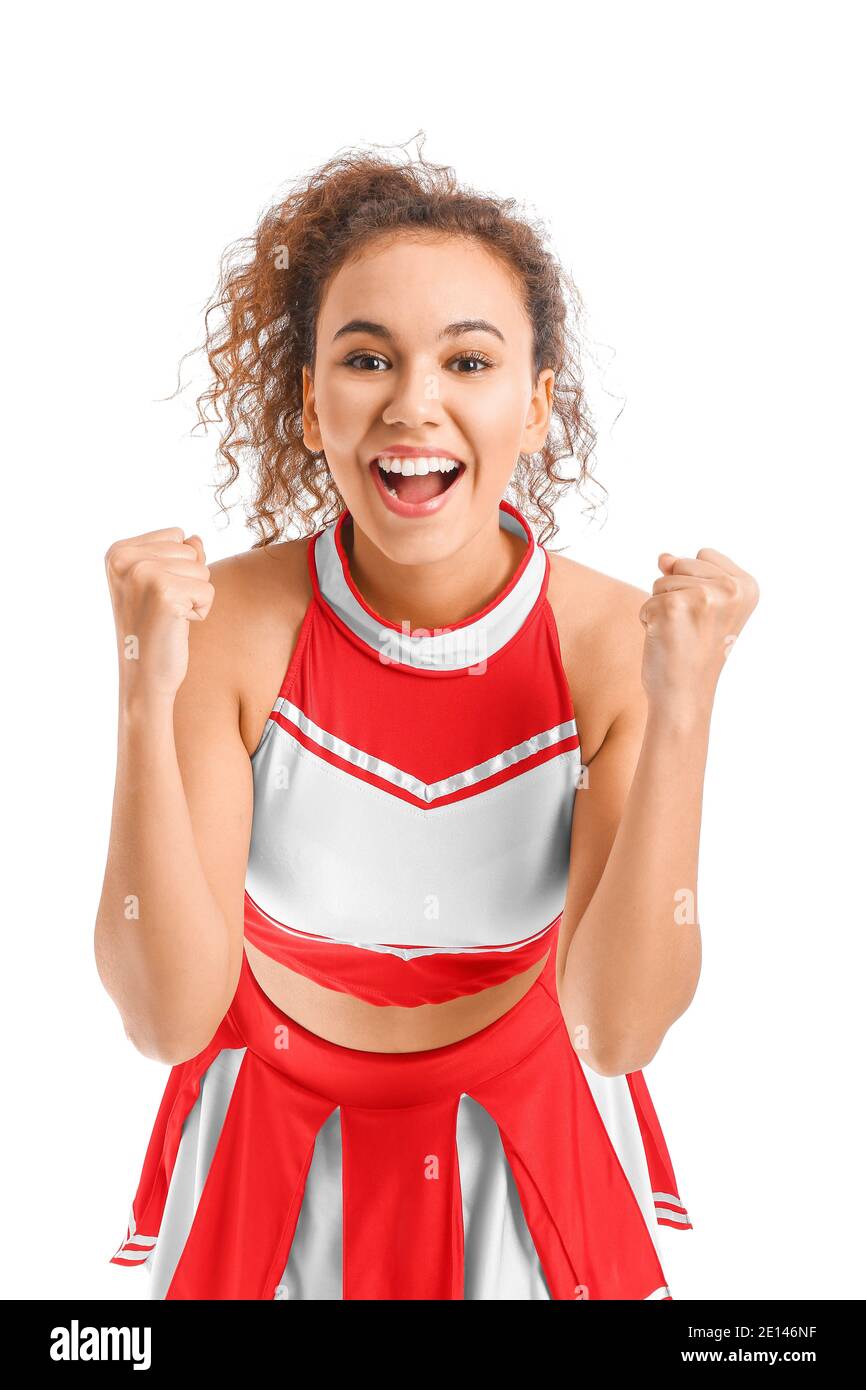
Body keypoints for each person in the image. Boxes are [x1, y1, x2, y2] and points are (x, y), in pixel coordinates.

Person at [95, 143, 759, 1300]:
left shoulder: (611, 644)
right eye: (365, 359)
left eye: (467, 359)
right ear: (309, 404)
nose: (414, 404)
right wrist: (144, 684)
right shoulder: (228, 627)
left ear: (536, 406)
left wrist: (681, 710)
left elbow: (616, 1029)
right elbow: (165, 1018)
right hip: (270, 1130)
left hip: (525, 1135)